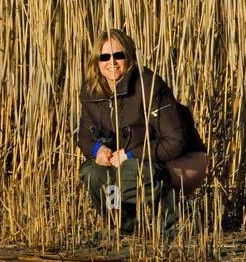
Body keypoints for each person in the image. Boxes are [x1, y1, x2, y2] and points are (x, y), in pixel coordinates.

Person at [76, 29, 209, 238]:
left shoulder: (149, 86)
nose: (111, 62)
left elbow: (175, 141)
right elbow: (84, 136)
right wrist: (98, 149)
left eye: (118, 55)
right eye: (104, 57)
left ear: (129, 57)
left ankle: (176, 223)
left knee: (131, 174)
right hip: (122, 161)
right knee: (93, 174)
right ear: (97, 61)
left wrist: (129, 155)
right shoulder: (91, 91)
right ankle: (123, 225)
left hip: (177, 160)